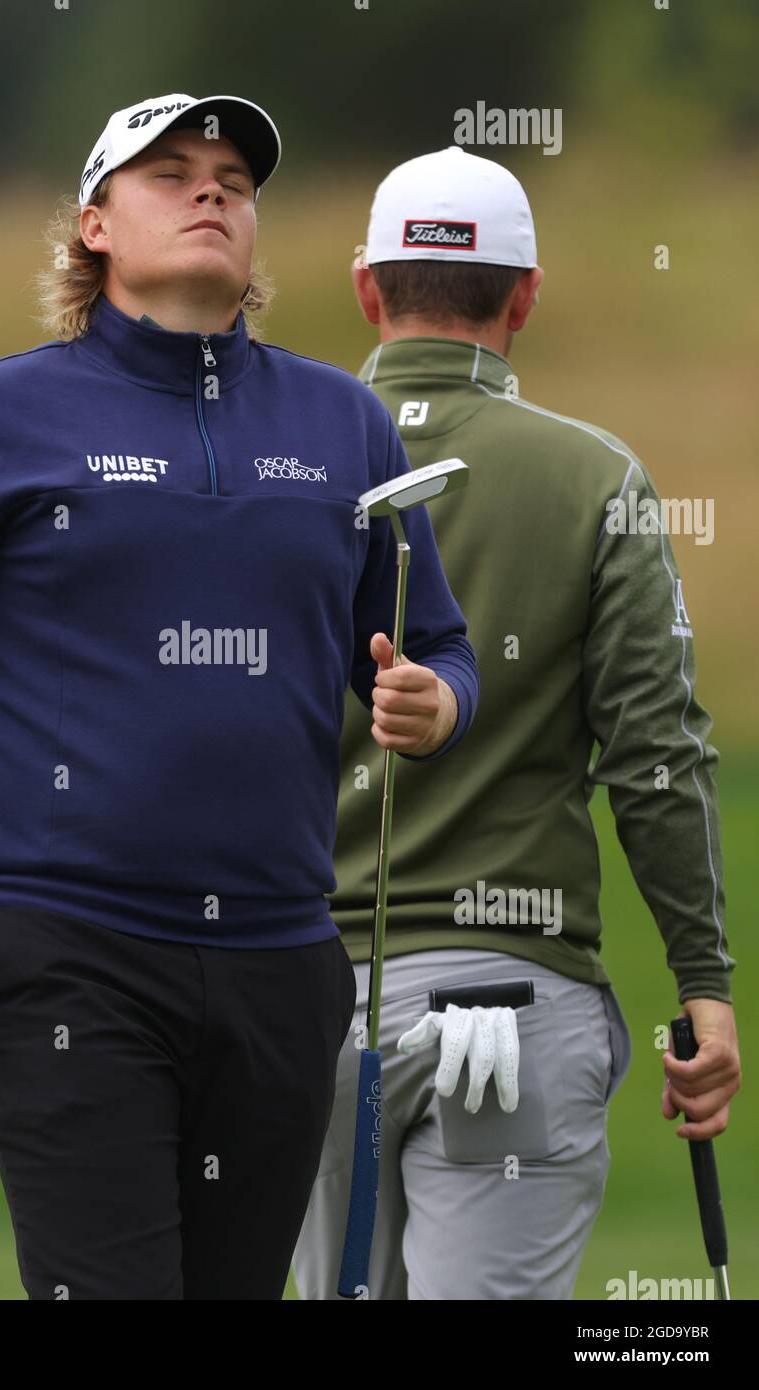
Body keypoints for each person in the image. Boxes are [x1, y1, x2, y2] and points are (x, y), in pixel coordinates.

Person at [0, 97, 478, 1300]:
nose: (211, 191)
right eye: (170, 172)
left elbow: (436, 644)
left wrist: (438, 704)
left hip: (284, 957)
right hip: (70, 945)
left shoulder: (345, 424)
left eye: (231, 176)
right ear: (94, 226)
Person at [293, 145, 741, 1300]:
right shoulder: (597, 479)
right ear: (524, 296)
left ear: (365, 287)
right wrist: (703, 985)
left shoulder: (278, 470)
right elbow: (654, 756)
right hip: (516, 997)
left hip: (302, 1008)